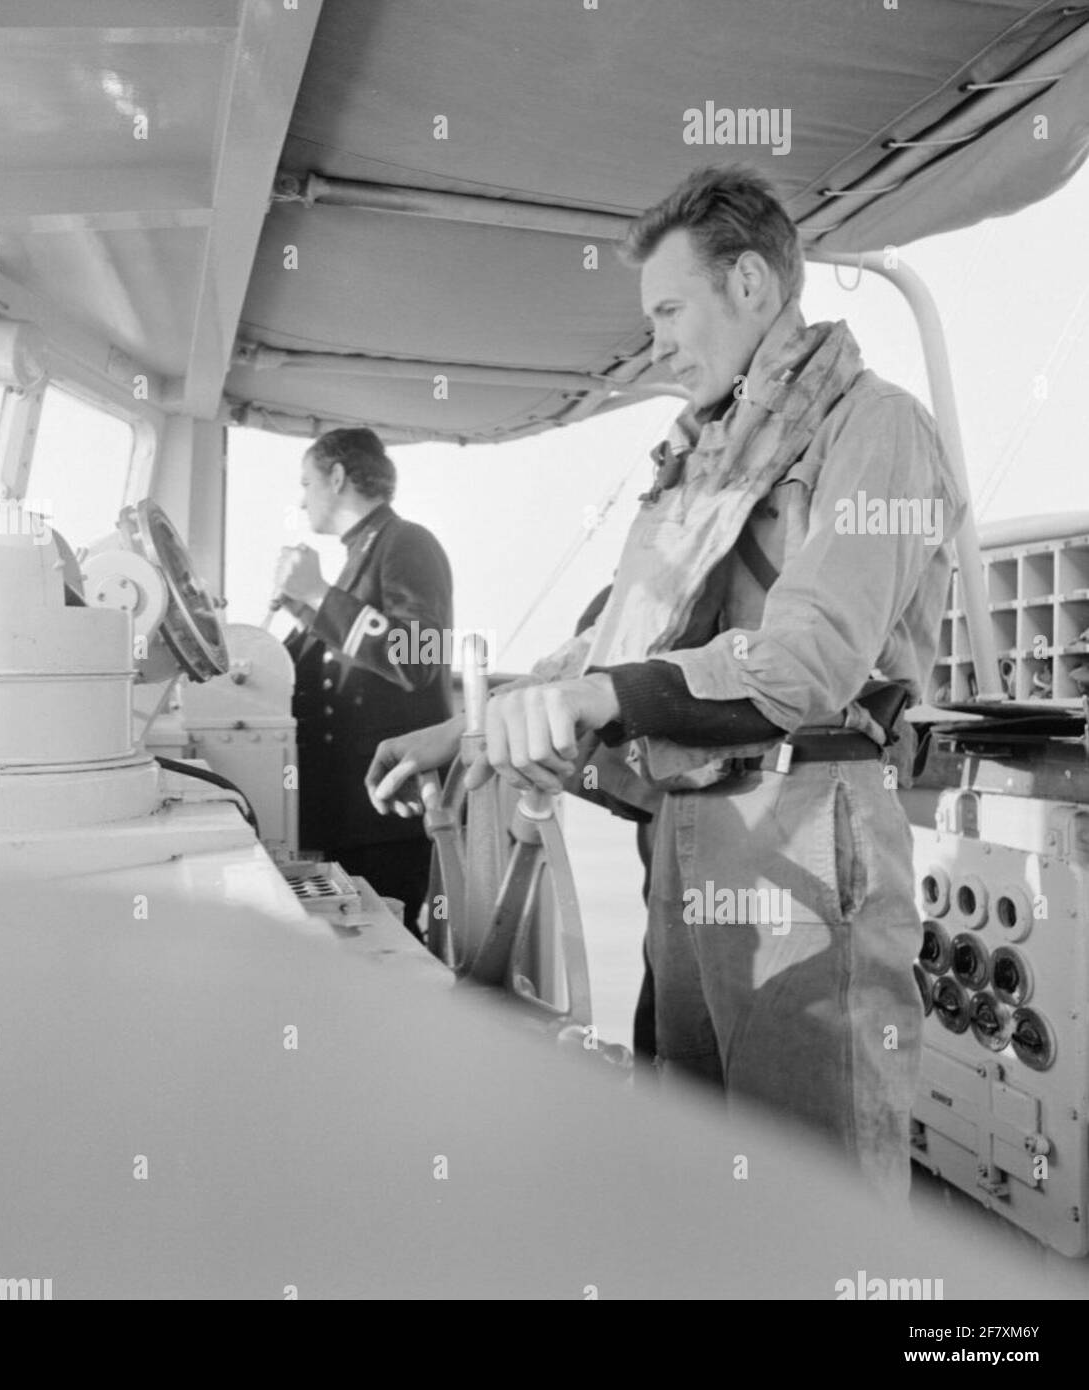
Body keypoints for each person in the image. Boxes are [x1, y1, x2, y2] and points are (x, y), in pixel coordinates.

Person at [366, 166, 964, 1197]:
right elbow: (610, 643)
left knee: (808, 1181)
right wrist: (472, 730)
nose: (658, 345)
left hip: (804, 829)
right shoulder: (705, 464)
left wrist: (605, 699)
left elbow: (808, 659)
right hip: (687, 830)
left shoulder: (878, 429)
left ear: (750, 284)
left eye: (670, 311)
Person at [273, 427, 454, 938]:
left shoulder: (407, 542)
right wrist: (304, 606)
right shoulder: (363, 553)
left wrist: (319, 594)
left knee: (388, 946)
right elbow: (343, 661)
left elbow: (418, 658)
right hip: (345, 811)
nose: (301, 499)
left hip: (382, 813)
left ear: (336, 477)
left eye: (306, 483)